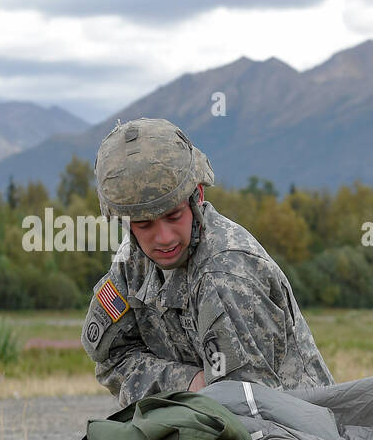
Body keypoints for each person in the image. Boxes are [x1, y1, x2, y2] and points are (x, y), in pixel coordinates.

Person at [81, 117, 333, 406]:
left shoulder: (227, 273)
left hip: (292, 438)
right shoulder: (131, 264)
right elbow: (112, 360)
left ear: (197, 197)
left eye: (173, 216)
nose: (163, 238)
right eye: (144, 224)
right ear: (124, 222)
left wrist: (192, 393)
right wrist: (188, 383)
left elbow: (249, 405)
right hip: (201, 425)